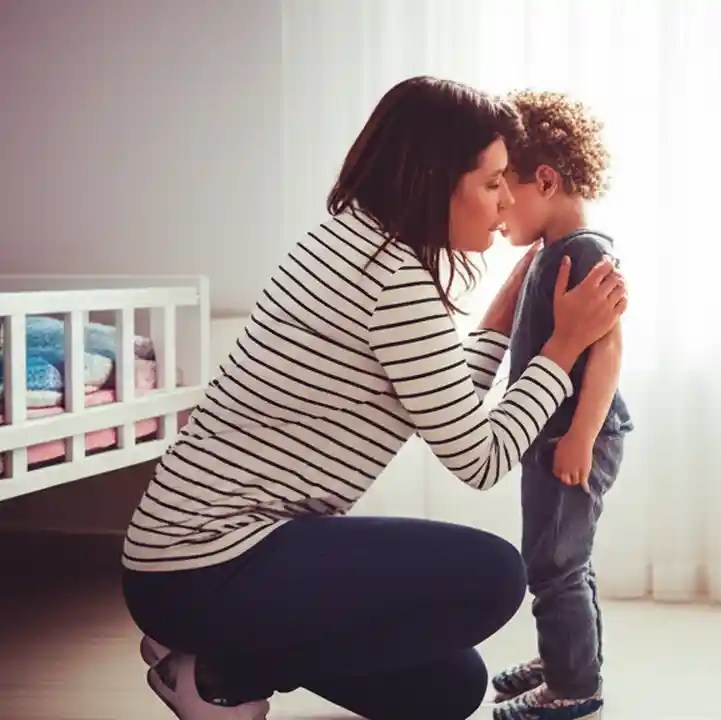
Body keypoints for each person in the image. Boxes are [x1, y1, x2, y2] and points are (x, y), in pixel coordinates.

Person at [118, 76, 627, 720]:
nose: (503, 202)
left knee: (450, 687)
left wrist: (501, 319)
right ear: (437, 180)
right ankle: (219, 671)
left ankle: (205, 646)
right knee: (496, 576)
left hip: (182, 562)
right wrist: (563, 347)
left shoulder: (349, 241)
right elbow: (481, 458)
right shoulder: (397, 284)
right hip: (208, 562)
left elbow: (445, 405)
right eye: (491, 182)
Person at [486, 90, 633, 720]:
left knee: (554, 562)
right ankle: (565, 657)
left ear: (544, 181)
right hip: (550, 433)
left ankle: (575, 686)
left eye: (503, 190)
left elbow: (609, 351)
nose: (497, 209)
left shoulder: (583, 251)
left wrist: (581, 436)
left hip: (574, 436)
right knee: (561, 555)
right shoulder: (551, 253)